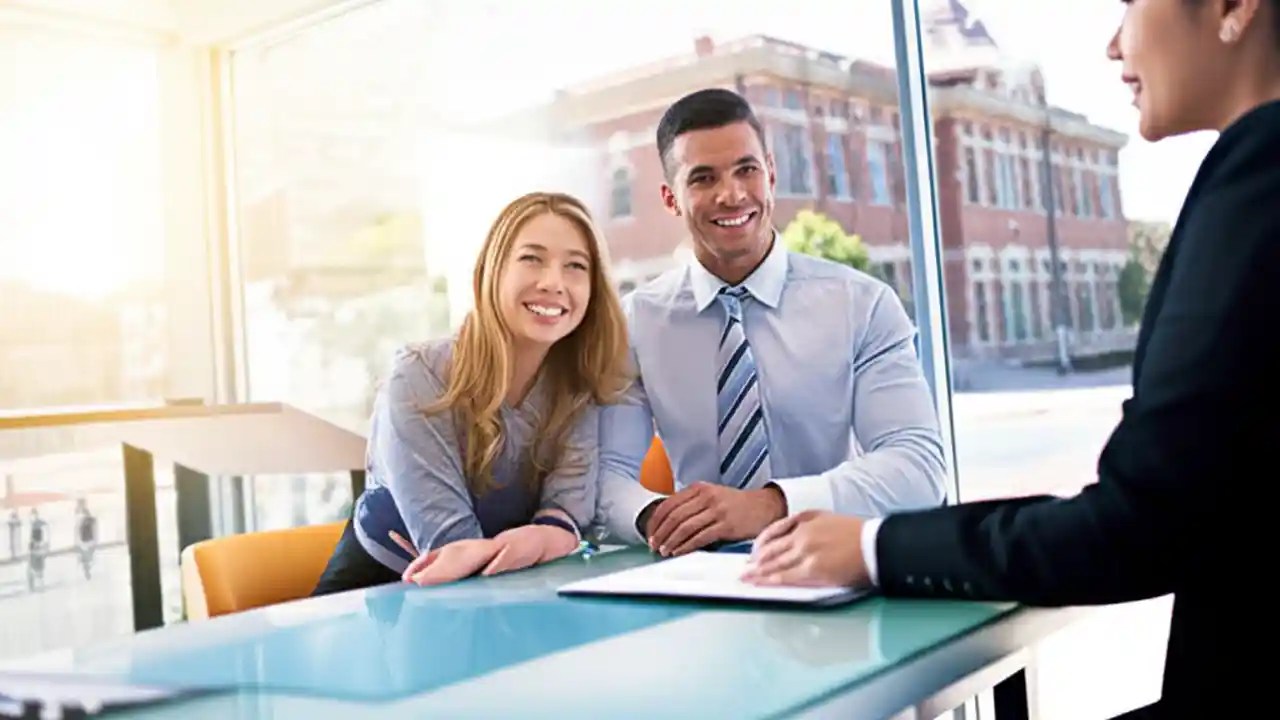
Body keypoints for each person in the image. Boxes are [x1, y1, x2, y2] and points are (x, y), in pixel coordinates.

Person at [743, 1, 1280, 716]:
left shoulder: (1260, 172)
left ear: (1232, 7)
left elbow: (1144, 520)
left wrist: (873, 548)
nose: (1114, 44)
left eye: (1130, 4)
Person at [594, 88, 947, 556]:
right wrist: (656, 516)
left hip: (829, 564)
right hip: (697, 573)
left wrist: (771, 506)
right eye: (702, 178)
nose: (731, 194)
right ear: (670, 199)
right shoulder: (635, 324)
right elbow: (603, 476)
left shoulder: (863, 305)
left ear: (772, 175)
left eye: (747, 169)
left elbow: (919, 467)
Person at [311, 191, 631, 594]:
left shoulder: (578, 383)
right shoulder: (417, 376)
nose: (553, 282)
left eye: (575, 266)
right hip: (380, 593)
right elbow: (449, 548)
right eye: (531, 258)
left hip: (507, 587)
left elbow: (568, 513)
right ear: (492, 270)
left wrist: (549, 534)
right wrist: (543, 538)